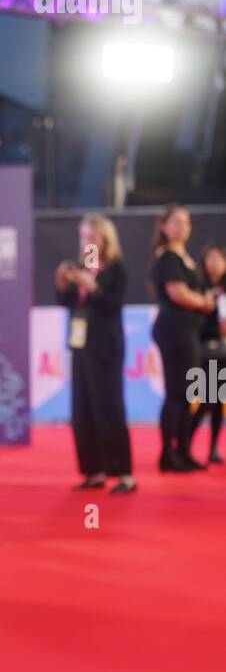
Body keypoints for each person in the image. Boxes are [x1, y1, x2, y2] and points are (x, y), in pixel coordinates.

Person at [55, 213, 136, 494]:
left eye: (91, 236)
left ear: (104, 239)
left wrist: (92, 285)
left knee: (109, 407)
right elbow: (69, 303)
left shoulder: (115, 270)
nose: (86, 241)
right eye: (83, 236)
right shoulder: (81, 266)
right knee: (82, 408)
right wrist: (64, 285)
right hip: (81, 345)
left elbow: (111, 304)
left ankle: (124, 472)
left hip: (106, 346)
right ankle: (94, 470)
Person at [149, 205, 216, 472]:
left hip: (189, 331)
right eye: (176, 222)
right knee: (177, 393)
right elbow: (177, 293)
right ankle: (168, 454)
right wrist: (203, 302)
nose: (182, 227)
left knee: (190, 394)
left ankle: (184, 450)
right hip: (174, 330)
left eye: (186, 223)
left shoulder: (185, 257)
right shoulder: (167, 257)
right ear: (164, 226)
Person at [188, 242, 226, 464]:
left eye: (218, 259)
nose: (213, 264)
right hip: (202, 349)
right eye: (209, 258)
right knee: (204, 401)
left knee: (218, 400)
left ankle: (212, 448)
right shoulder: (198, 286)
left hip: (222, 351)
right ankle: (185, 444)